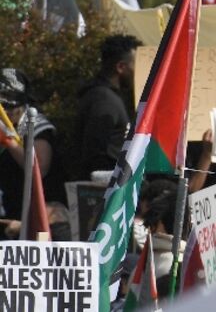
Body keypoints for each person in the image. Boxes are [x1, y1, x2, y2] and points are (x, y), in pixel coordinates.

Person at [0, 68, 64, 221]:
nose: (7, 113)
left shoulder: (37, 127)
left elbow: (40, 168)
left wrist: (8, 141)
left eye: (11, 107)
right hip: (8, 209)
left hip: (38, 213)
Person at [76, 34, 140, 178]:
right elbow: (95, 155)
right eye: (136, 65)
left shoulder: (109, 97)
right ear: (121, 67)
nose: (138, 71)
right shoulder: (103, 100)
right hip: (106, 187)